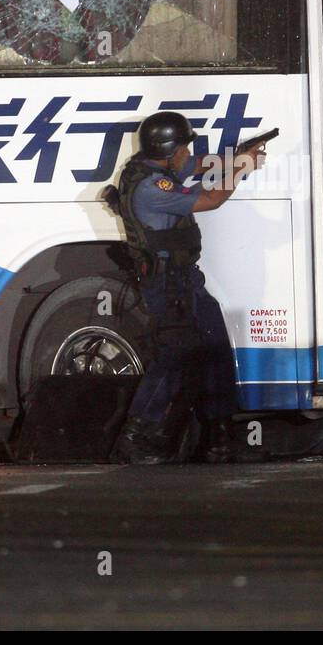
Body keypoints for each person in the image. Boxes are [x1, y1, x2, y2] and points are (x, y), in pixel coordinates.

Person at [109, 111, 265, 464]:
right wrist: (242, 169)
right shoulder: (153, 187)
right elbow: (211, 200)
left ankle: (220, 438)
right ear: (169, 150)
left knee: (216, 349)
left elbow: (196, 164)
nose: (187, 154)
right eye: (183, 147)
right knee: (173, 358)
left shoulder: (150, 168)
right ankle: (135, 439)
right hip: (167, 286)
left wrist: (238, 156)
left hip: (184, 281)